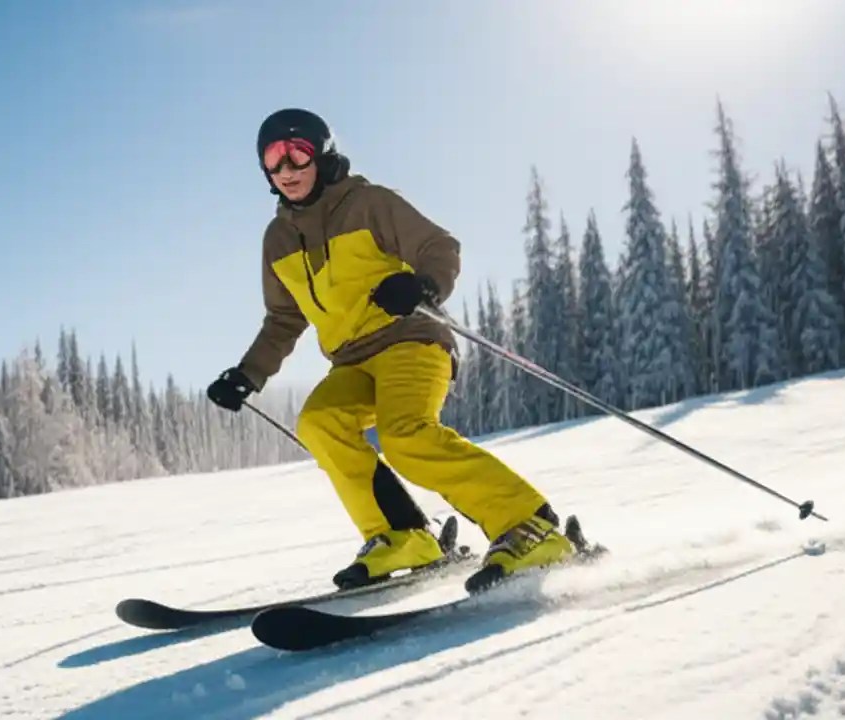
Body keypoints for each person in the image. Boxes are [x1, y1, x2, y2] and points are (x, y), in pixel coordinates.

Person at [207, 108, 574, 593]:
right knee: (320, 422)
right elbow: (284, 319)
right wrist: (247, 375)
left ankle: (531, 525)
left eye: (298, 153)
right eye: (274, 160)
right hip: (352, 359)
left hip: (411, 338)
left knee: (405, 434)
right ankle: (402, 537)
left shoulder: (368, 203)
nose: (287, 169)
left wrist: (421, 285)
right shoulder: (278, 240)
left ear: (324, 153)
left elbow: (439, 247)